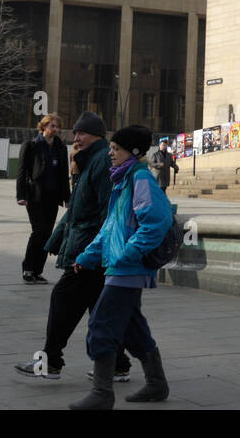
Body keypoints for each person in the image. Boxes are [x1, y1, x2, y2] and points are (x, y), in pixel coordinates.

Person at [14, 111, 133, 383]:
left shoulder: (101, 163)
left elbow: (108, 212)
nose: (75, 138)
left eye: (81, 133)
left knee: (62, 300)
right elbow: (78, 208)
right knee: (100, 310)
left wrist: (92, 253)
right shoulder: (88, 161)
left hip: (90, 252)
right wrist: (56, 238)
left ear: (96, 136)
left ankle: (51, 362)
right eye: (75, 133)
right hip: (87, 249)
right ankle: (118, 363)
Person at [70, 124, 173, 410]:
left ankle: (102, 394)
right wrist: (88, 256)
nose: (110, 153)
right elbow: (110, 228)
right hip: (119, 267)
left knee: (101, 323)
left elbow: (157, 221)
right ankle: (156, 384)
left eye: (116, 149)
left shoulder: (139, 178)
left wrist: (128, 254)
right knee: (131, 328)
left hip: (127, 269)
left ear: (133, 152)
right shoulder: (123, 180)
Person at [16, 114, 69, 283]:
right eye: (52, 126)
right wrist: (21, 195)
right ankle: (28, 269)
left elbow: (63, 174)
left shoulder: (60, 147)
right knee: (38, 232)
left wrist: (66, 197)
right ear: (44, 126)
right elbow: (22, 172)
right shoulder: (31, 145)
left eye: (57, 126)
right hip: (35, 196)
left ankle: (37, 271)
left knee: (47, 234)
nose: (55, 129)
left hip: (52, 197)